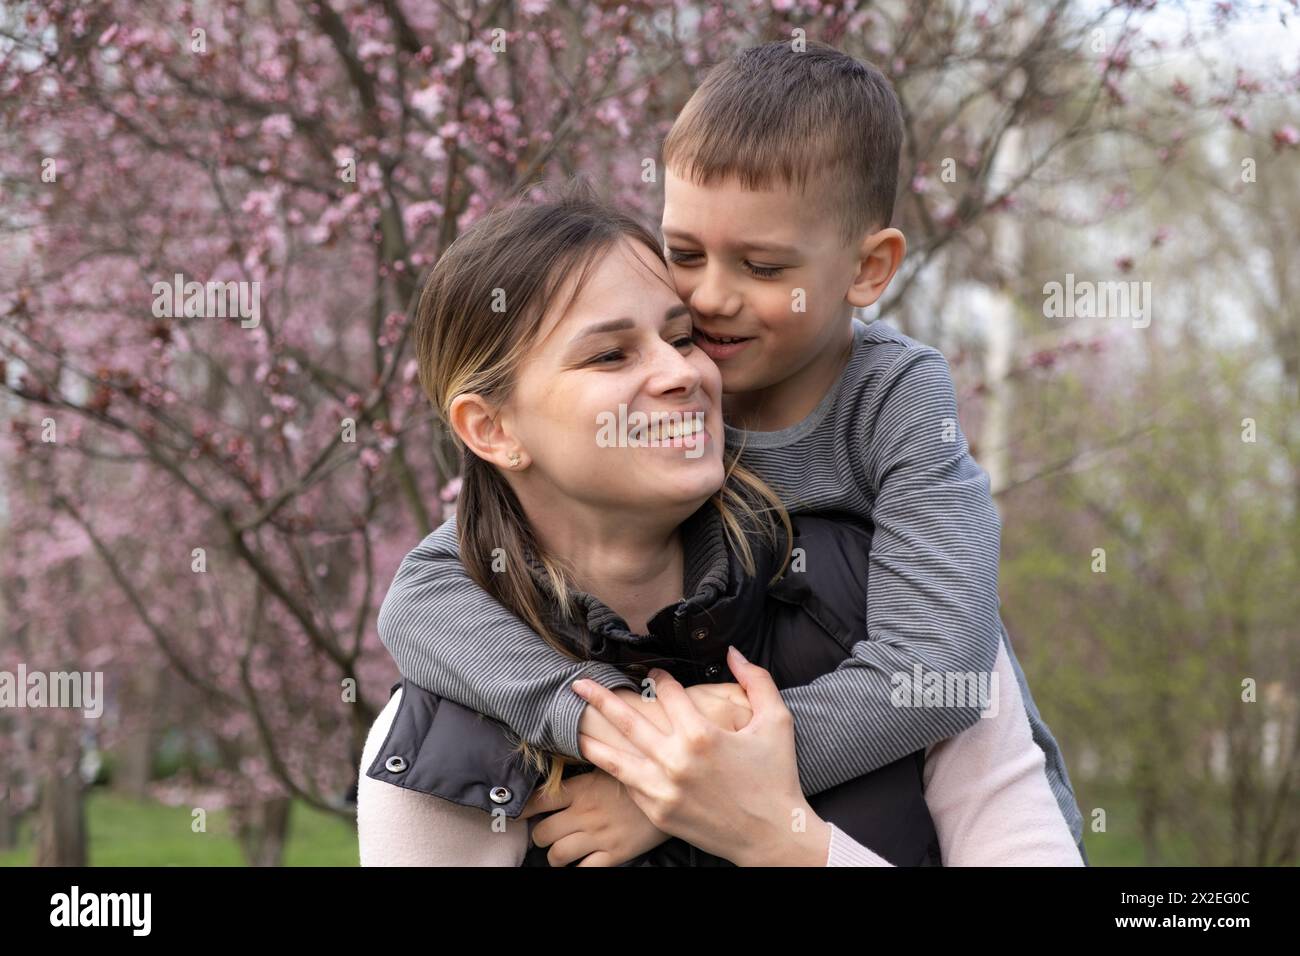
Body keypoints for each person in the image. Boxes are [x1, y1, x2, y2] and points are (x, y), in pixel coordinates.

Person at [377, 40, 1085, 862]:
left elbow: (940, 668)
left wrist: (693, 781)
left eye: (761, 266)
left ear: (869, 267)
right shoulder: (683, 389)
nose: (709, 303)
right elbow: (425, 593)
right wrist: (630, 731)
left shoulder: (894, 398)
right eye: (684, 256)